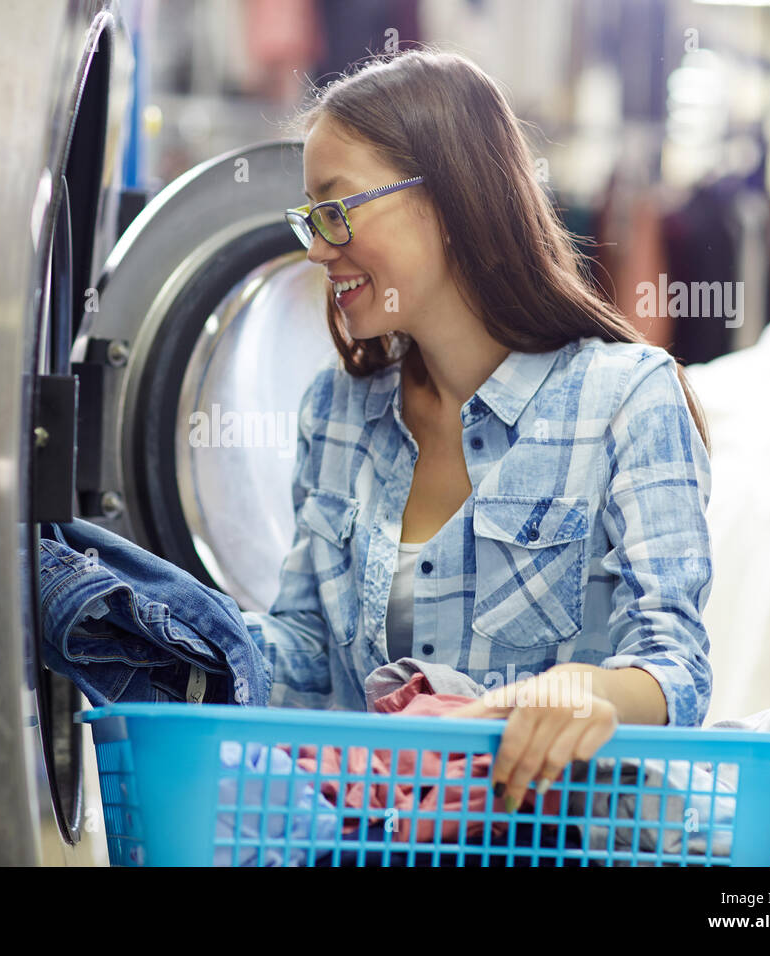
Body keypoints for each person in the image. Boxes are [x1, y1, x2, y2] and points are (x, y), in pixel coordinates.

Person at [241, 47, 715, 816]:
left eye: (337, 209)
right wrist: (171, 629)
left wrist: (581, 694)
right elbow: (306, 664)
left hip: (556, 837)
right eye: (310, 217)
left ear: (449, 200)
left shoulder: (625, 398)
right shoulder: (337, 409)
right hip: (382, 837)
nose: (318, 247)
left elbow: (676, 667)